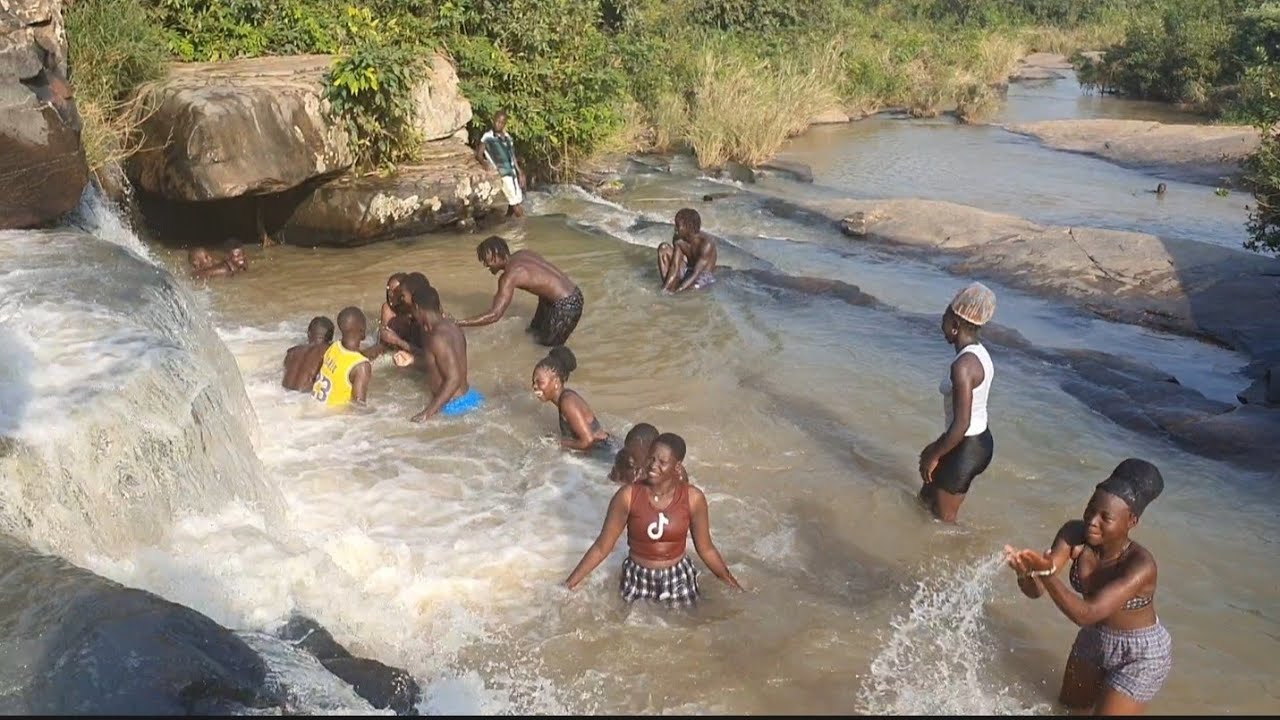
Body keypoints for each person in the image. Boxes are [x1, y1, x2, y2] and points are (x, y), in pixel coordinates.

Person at [1004, 459, 1170, 716]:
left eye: (1106, 517)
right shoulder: (1074, 533)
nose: (1092, 521)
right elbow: (1036, 591)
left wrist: (1045, 573)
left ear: (1132, 521)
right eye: (1090, 509)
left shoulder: (1141, 565)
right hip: (1094, 638)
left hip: (1139, 654)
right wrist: (1026, 573)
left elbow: (1086, 613)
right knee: (1069, 711)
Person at [564, 433, 743, 607]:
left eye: (662, 462)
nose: (652, 466)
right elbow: (602, 547)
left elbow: (706, 549)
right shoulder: (627, 496)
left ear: (677, 467)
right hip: (637, 576)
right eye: (651, 459)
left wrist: (733, 585)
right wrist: (568, 585)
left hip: (678, 576)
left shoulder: (693, 498)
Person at [918, 282, 997, 523]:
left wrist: (933, 453)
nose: (940, 322)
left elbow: (962, 423)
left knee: (943, 523)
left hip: (967, 446)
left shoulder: (963, 366)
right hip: (974, 441)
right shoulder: (979, 352)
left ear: (955, 325)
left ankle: (977, 559)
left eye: (944, 317)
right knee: (923, 503)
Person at [457, 236, 585, 347]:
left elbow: (495, 315)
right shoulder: (523, 253)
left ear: (496, 256)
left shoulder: (509, 276)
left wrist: (459, 323)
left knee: (546, 350)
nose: (485, 265)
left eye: (486, 260)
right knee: (532, 333)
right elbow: (544, 280)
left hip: (566, 304)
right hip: (561, 295)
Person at [393, 285, 483, 420]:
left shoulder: (436, 337)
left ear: (417, 308)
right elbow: (441, 363)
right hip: (469, 397)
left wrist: (427, 413)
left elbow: (454, 379)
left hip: (454, 407)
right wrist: (412, 360)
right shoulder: (453, 327)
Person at [532, 346, 610, 452]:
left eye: (540, 382)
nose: (535, 386)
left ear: (556, 382)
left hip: (605, 451)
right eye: (533, 382)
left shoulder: (567, 402)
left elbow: (588, 441)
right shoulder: (565, 399)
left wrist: (557, 443)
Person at [312, 307, 372, 407]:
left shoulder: (334, 347)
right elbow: (359, 408)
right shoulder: (362, 366)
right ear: (362, 330)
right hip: (332, 419)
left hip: (315, 407)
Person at [476, 109, 526, 217]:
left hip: (512, 172)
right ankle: (524, 227)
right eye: (496, 121)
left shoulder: (508, 138)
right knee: (516, 205)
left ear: (504, 124)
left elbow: (512, 156)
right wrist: (484, 163)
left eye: (501, 122)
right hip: (502, 173)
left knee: (515, 201)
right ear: (493, 121)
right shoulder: (487, 137)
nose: (498, 124)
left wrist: (519, 172)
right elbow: (479, 154)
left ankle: (508, 222)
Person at [657, 208, 718, 294]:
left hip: (702, 275)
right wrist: (664, 290)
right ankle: (669, 288)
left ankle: (676, 292)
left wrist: (679, 291)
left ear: (688, 227)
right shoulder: (678, 240)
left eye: (678, 226)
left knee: (690, 292)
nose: (675, 229)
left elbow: (696, 274)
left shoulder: (706, 244)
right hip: (689, 269)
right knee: (663, 248)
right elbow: (675, 267)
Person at [282, 316, 334, 392]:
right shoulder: (328, 352)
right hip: (303, 398)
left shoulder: (292, 352)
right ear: (331, 339)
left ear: (309, 333)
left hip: (282, 394)